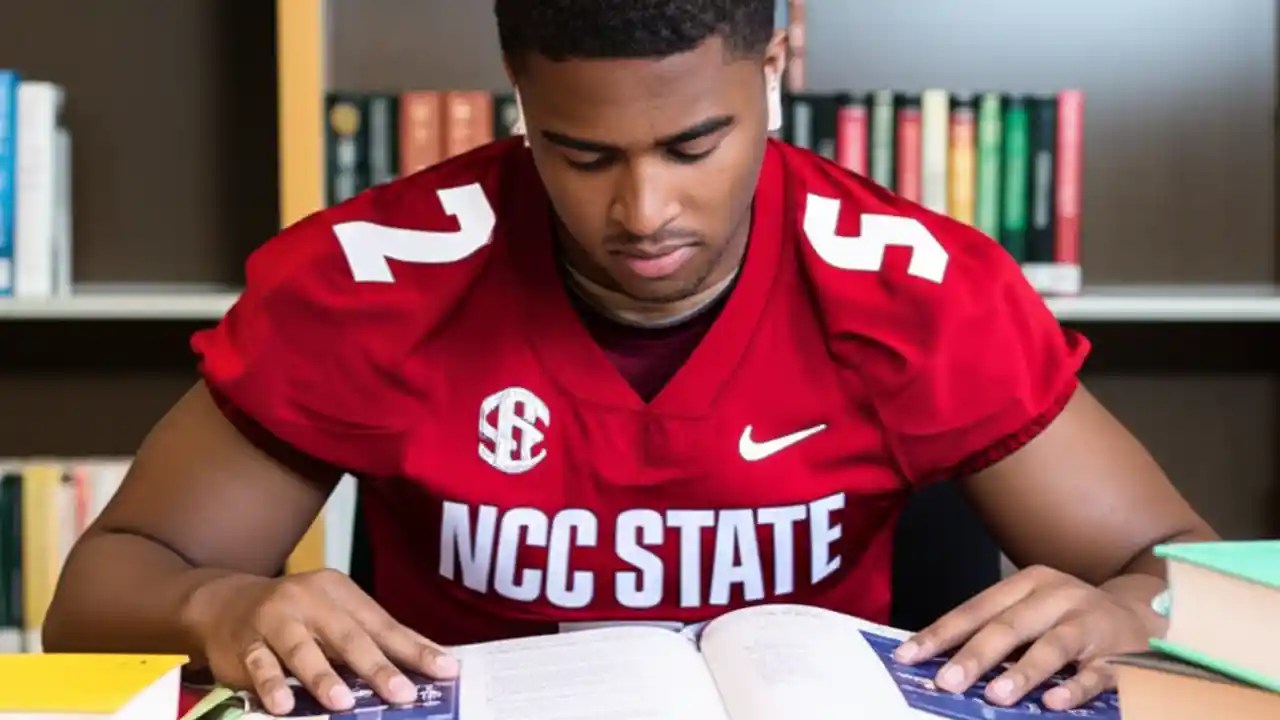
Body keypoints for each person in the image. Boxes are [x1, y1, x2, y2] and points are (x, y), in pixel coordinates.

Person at [43, 0, 1217, 716]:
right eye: (577, 152)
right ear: (516, 97)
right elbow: (96, 596)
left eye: (693, 141)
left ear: (778, 58)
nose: (643, 209)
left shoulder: (913, 284)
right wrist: (226, 602)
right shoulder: (371, 279)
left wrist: (1119, 610)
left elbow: (1195, 583)